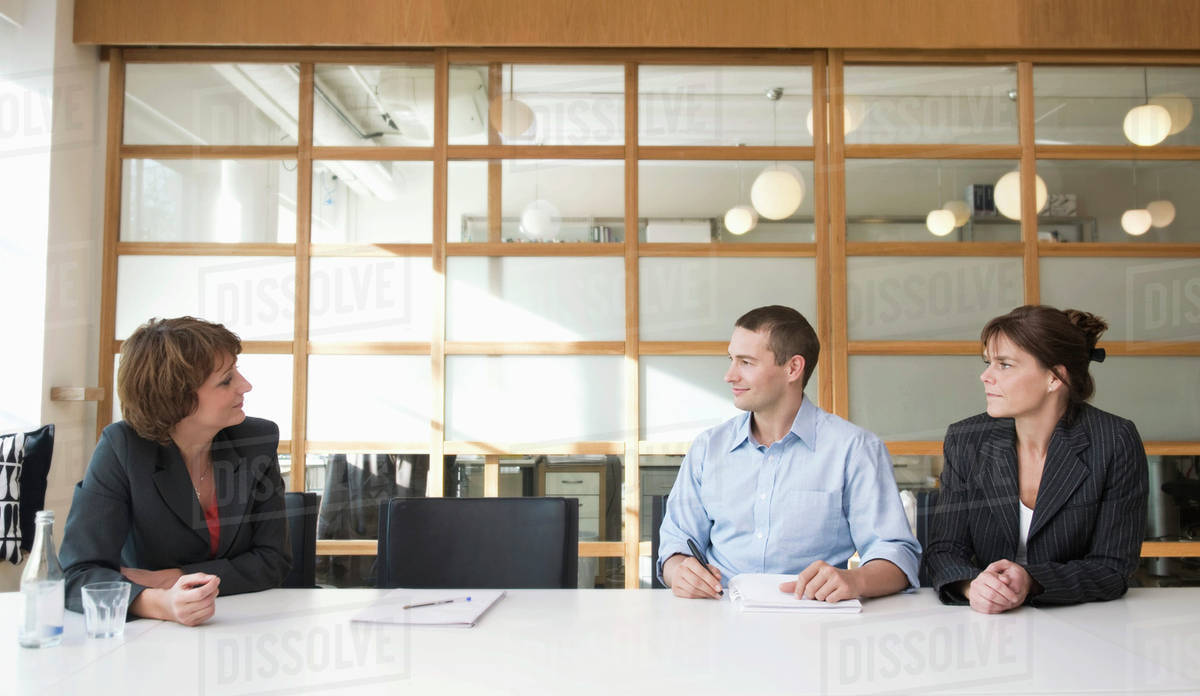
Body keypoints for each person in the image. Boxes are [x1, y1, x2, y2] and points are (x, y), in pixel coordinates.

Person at [658, 305, 920, 601]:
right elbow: (676, 542)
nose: (729, 376)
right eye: (731, 359)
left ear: (793, 368)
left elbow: (896, 554)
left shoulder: (855, 449)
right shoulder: (708, 448)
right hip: (719, 614)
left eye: (746, 362)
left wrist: (855, 580)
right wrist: (679, 570)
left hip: (812, 621)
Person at [60, 317, 291, 625]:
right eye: (226, 380)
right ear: (176, 399)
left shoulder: (256, 441)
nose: (245, 385)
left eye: (236, 370)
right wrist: (156, 603)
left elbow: (273, 560)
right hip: (147, 639)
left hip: (245, 624)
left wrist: (175, 578)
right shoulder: (122, 448)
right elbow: (78, 575)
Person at [921, 305, 1148, 613]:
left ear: (1055, 378)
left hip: (1083, 622)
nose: (985, 376)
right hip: (987, 625)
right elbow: (945, 549)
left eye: (1005, 365)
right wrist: (972, 586)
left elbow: (1112, 567)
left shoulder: (1114, 440)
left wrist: (1031, 580)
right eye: (989, 363)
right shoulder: (966, 439)